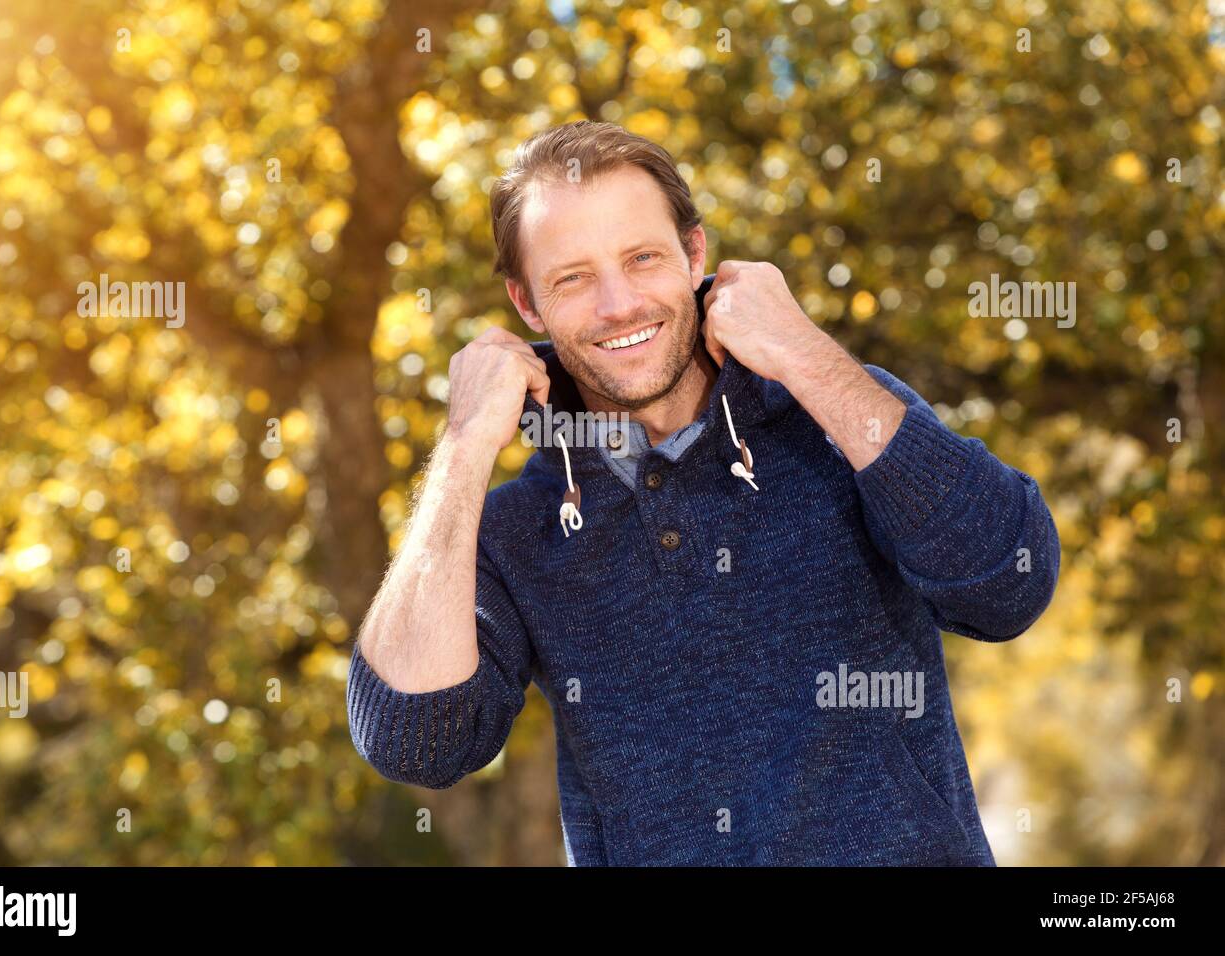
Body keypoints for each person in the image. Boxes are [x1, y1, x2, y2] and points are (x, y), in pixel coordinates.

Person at [347, 120, 1061, 866]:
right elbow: (412, 740)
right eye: (573, 278)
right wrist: (462, 445)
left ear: (695, 253)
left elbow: (1011, 583)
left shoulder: (839, 418)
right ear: (527, 306)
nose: (618, 305)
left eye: (643, 258)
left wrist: (804, 355)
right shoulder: (515, 529)